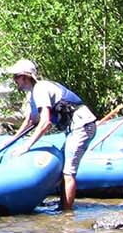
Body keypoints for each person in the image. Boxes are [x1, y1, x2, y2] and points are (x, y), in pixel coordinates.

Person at [10, 59, 97, 211]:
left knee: (68, 172)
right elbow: (31, 120)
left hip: (83, 126)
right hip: (74, 129)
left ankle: (67, 213)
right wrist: (13, 139)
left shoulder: (40, 89)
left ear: (25, 76)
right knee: (64, 167)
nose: (14, 80)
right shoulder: (32, 94)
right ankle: (62, 206)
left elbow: (45, 123)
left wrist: (27, 146)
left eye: (16, 76)